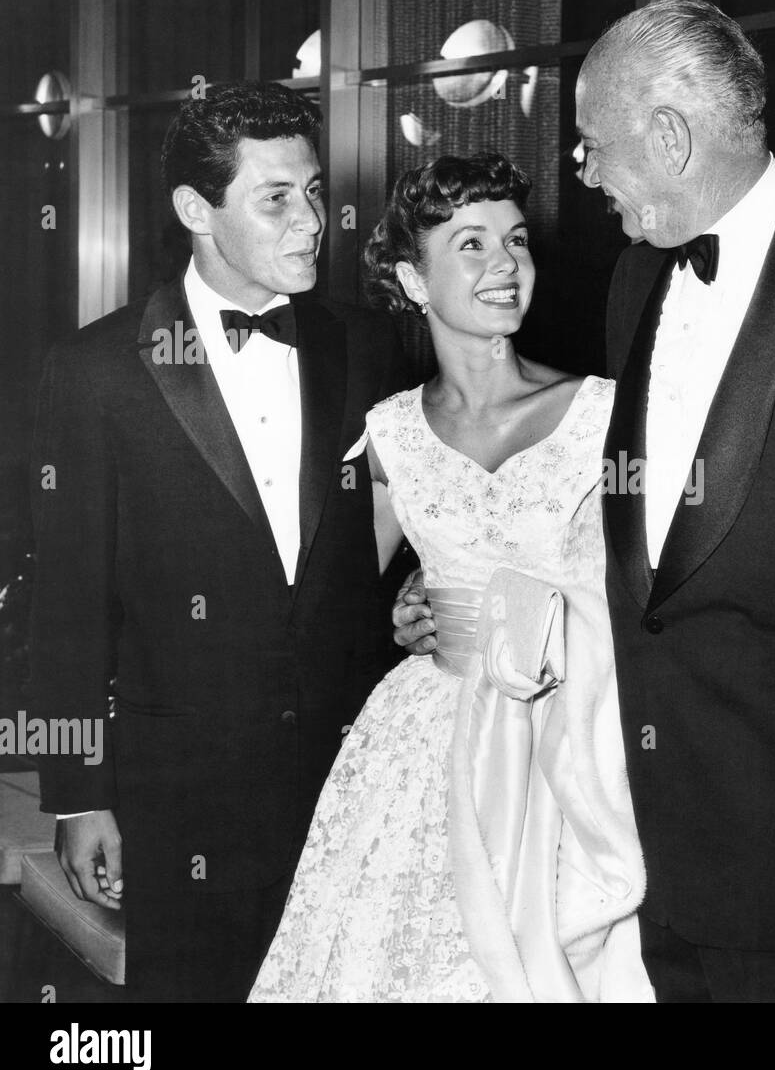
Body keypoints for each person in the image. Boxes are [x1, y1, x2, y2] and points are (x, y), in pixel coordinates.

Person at [396, 0, 775, 1002]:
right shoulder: (635, 277)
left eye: (592, 146)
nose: (581, 173)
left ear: (669, 136)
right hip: (630, 825)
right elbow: (622, 542)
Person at [28, 82, 406, 1002]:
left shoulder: (369, 346)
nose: (314, 220)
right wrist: (79, 798)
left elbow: (384, 549)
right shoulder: (93, 372)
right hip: (180, 797)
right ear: (196, 210)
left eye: (314, 190)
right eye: (276, 197)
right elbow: (67, 603)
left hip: (347, 779)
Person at [250, 153, 650, 1002]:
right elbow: (327, 606)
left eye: (514, 241)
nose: (504, 265)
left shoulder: (603, 415)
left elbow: (657, 593)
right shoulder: (391, 435)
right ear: (412, 278)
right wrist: (401, 614)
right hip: (430, 750)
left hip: (578, 741)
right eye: (470, 244)